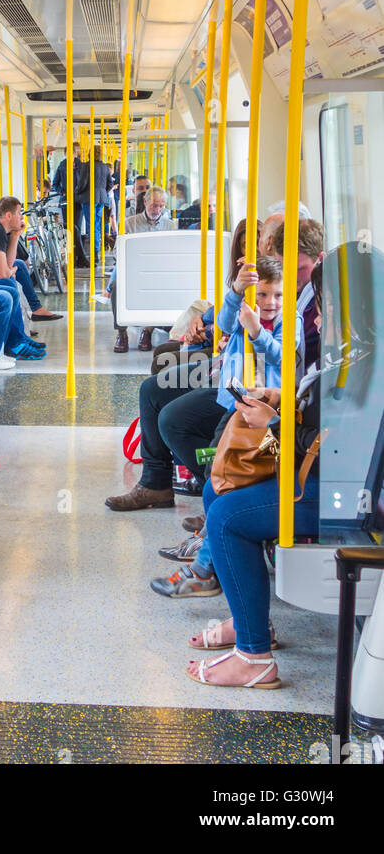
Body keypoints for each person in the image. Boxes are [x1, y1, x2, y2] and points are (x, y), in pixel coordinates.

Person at [184, 258, 326, 689]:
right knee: (214, 490)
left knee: (226, 519)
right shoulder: (348, 353)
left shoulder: (360, 363)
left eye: (321, 305)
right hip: (311, 461)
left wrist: (275, 421)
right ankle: (248, 620)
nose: (315, 315)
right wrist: (279, 402)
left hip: (330, 482)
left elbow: (328, 440)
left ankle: (254, 656)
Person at [149, 252, 302, 597]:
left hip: (262, 414)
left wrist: (258, 332)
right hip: (235, 404)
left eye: (277, 295)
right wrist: (235, 291)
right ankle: (207, 555)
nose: (269, 303)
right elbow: (224, 321)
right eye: (261, 295)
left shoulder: (285, 322)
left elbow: (284, 356)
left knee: (222, 484)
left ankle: (204, 566)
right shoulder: (242, 311)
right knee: (215, 478)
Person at [105, 218, 252, 513]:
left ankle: (214, 485)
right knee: (152, 389)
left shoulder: (273, 284)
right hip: (223, 362)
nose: (247, 255)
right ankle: (155, 483)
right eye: (243, 248)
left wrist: (224, 335)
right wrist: (205, 321)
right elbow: (224, 317)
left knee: (171, 406)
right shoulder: (242, 283)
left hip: (240, 374)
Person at [0, 196, 47, 365]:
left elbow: (8, 266)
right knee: (9, 289)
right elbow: (2, 273)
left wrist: (15, 236)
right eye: (19, 213)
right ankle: (2, 348)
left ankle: (17, 341)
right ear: (8, 216)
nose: (22, 217)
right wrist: (10, 271)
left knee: (12, 285)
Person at [110, 185, 176, 353]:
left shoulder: (170, 225)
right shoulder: (130, 223)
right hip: (134, 272)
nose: (157, 209)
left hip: (159, 273)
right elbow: (118, 250)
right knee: (117, 286)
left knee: (165, 286)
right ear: (145, 202)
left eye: (161, 206)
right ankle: (122, 333)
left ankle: (148, 330)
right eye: (154, 205)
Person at [271, 217, 324, 368]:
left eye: (299, 269)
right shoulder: (279, 288)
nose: (289, 277)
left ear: (320, 259)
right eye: (282, 267)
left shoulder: (321, 304)